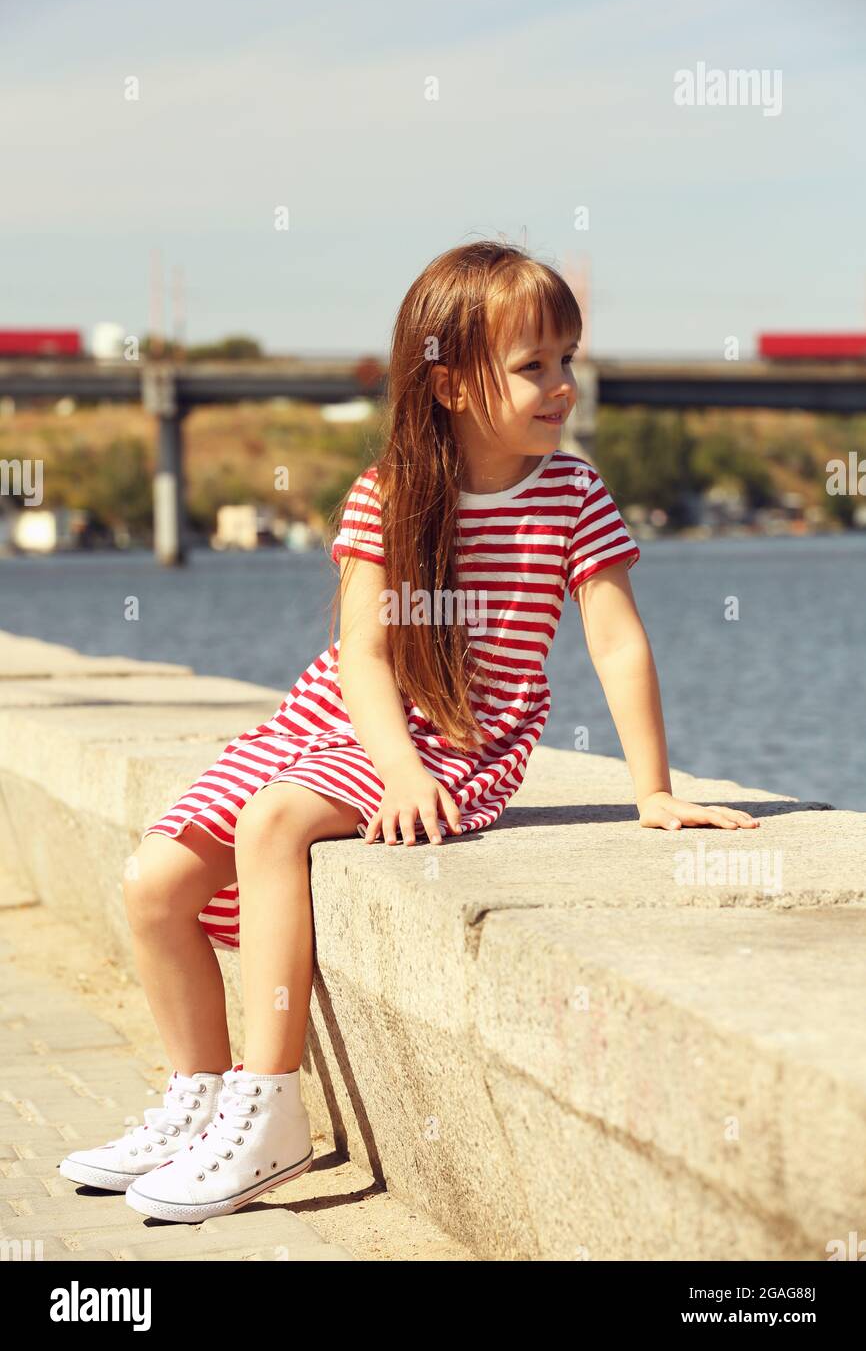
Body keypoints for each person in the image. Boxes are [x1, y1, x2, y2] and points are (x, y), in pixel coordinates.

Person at [59, 238, 759, 1222]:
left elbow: (615, 643)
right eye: (533, 365)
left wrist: (650, 788)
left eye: (567, 357)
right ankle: (199, 1097)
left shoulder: (569, 495)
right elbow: (361, 655)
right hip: (344, 718)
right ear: (447, 383)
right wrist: (389, 764)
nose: (562, 384)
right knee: (153, 881)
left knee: (270, 827)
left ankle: (269, 1113)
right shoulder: (387, 490)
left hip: (466, 739)